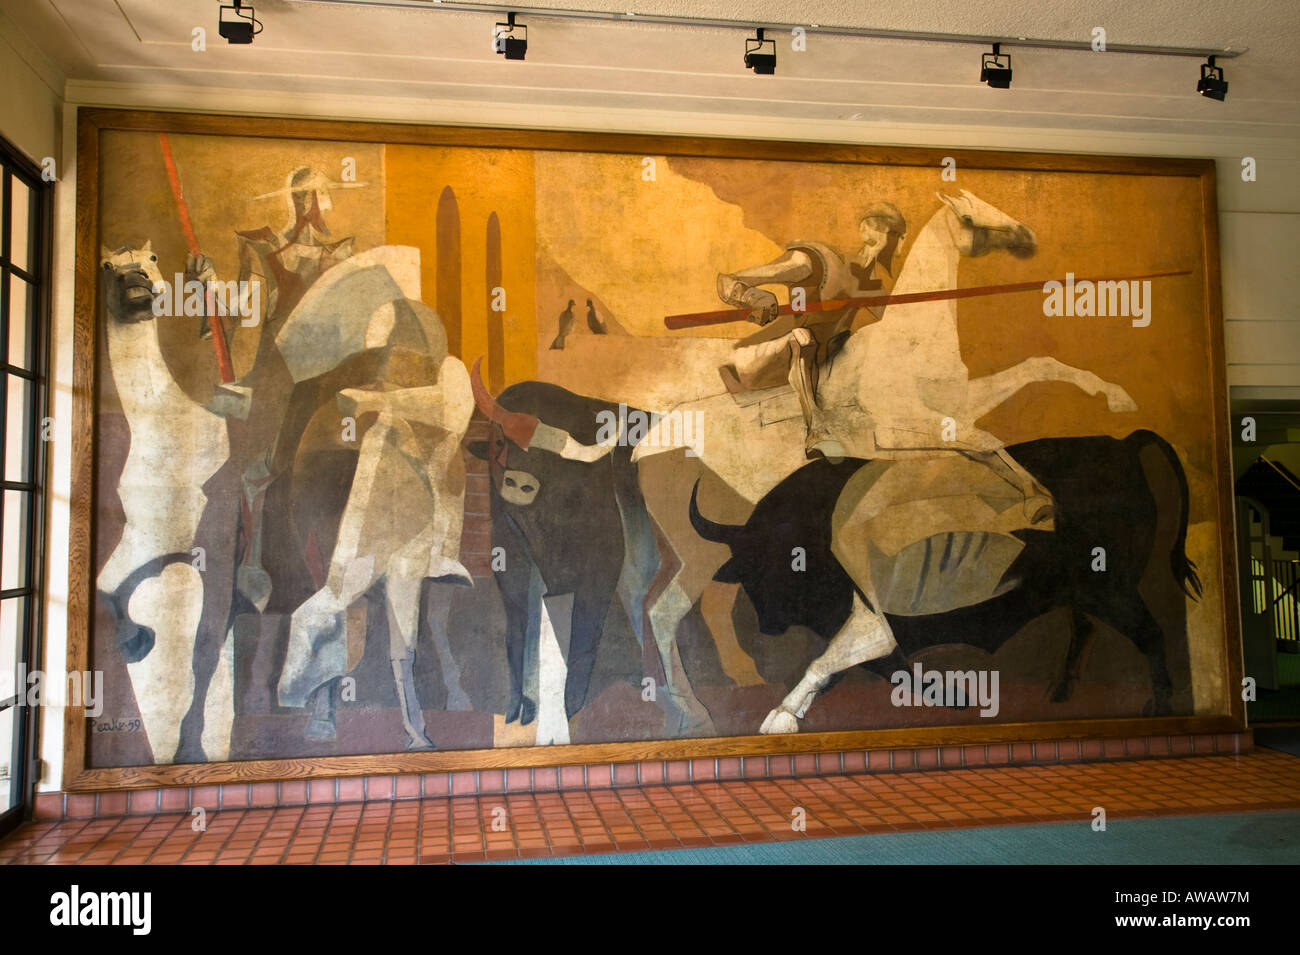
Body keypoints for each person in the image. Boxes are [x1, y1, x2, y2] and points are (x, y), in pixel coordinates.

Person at [716, 202, 906, 460]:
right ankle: (815, 430)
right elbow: (729, 282)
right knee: (803, 339)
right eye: (894, 233)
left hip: (828, 355)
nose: (900, 244)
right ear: (868, 229)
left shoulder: (869, 285)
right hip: (777, 356)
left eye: (900, 235)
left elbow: (898, 327)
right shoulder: (814, 262)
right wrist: (753, 297)